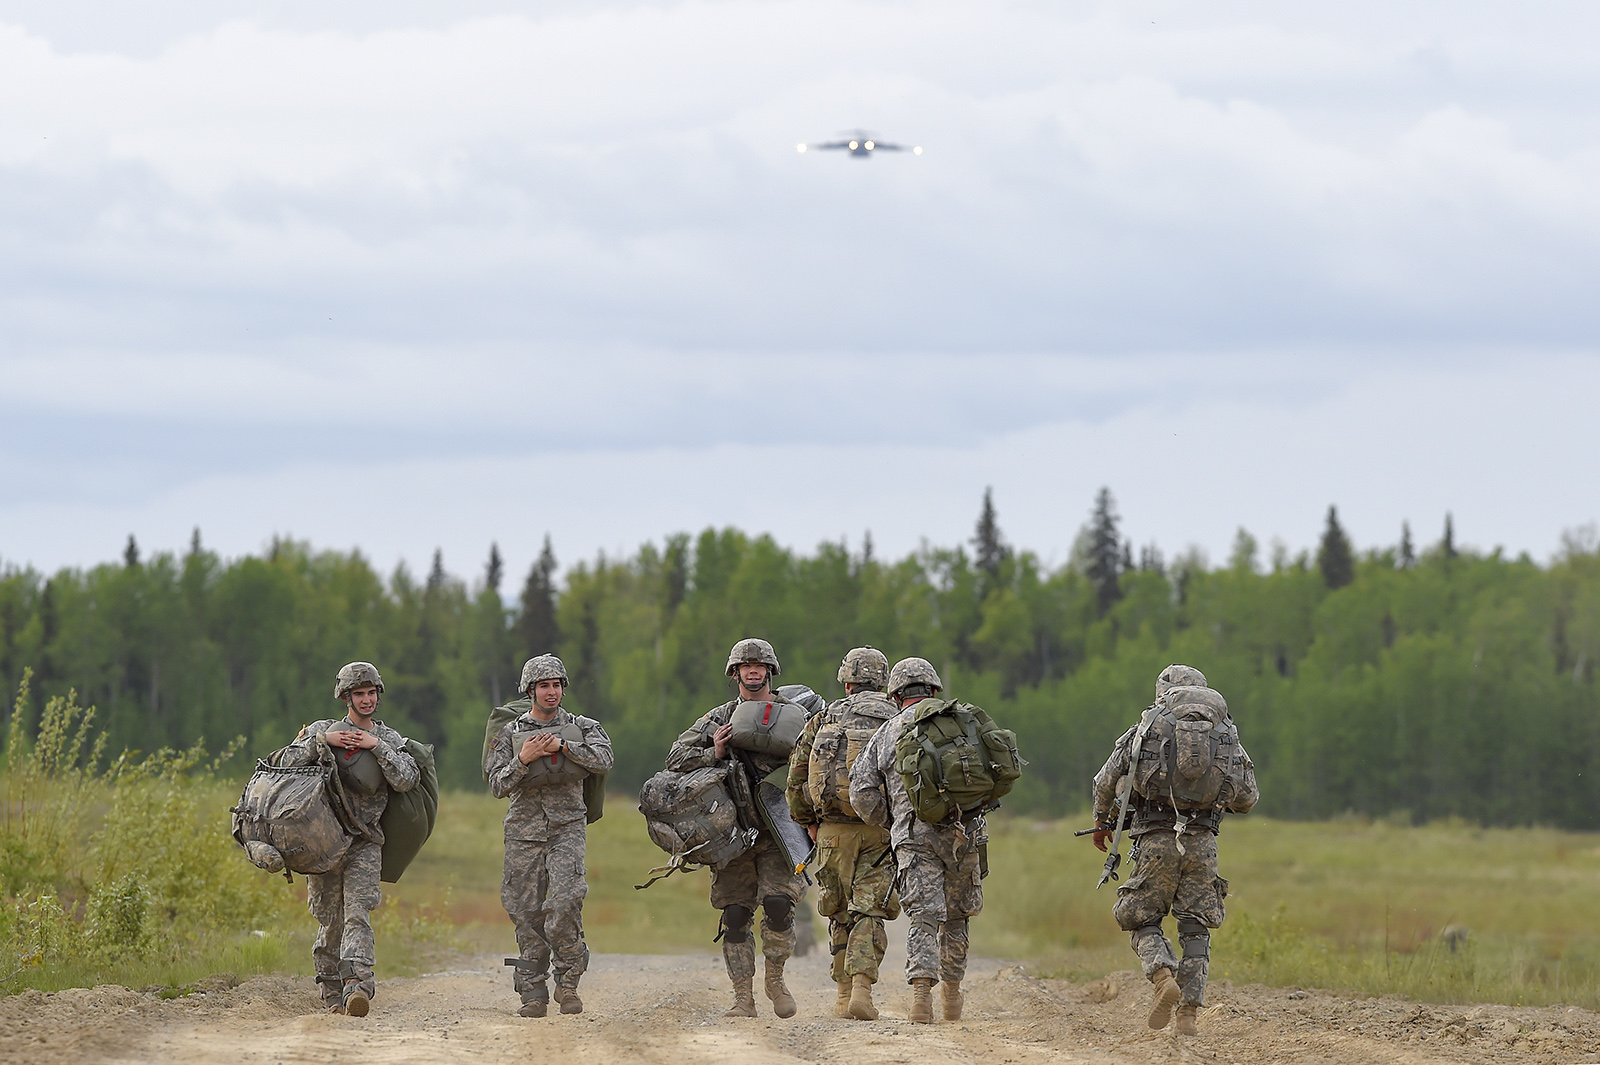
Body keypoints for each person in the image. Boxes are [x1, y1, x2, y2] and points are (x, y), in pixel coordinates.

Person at [1090, 664, 1259, 1036]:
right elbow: (1248, 797)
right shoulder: (1226, 736)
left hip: (1155, 839)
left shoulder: (1145, 731)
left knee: (1138, 916)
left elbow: (1105, 781)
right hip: (1203, 844)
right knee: (1196, 928)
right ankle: (1188, 1016)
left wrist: (1103, 821)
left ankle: (1162, 974)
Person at [666, 638, 808, 1019]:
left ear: (771, 671)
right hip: (734, 836)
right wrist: (713, 750)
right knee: (735, 916)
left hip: (780, 833)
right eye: (746, 666)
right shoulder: (720, 717)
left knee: (779, 906)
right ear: (735, 673)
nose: (753, 670)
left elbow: (820, 758)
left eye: (760, 665)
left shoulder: (796, 716)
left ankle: (775, 980)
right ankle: (742, 997)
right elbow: (676, 758)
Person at [849, 657, 982, 1025]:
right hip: (964, 835)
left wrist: (891, 821)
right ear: (935, 690)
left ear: (895, 695)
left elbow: (860, 791)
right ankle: (952, 997)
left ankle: (922, 1000)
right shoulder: (963, 720)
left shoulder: (888, 731)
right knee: (957, 918)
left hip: (914, 836)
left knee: (923, 917)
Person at [281, 661, 419, 1017]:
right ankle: (329, 986)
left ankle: (357, 984)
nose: (367, 699)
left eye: (372, 693)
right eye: (360, 694)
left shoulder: (387, 738)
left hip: (365, 841)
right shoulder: (321, 730)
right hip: (323, 842)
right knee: (330, 918)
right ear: (345, 697)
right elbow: (284, 760)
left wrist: (376, 747)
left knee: (358, 912)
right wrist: (323, 741)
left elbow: (407, 778)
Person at [486, 654, 614, 1017]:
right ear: (530, 691)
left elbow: (604, 759)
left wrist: (564, 747)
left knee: (564, 903)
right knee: (526, 914)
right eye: (544, 686)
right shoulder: (509, 735)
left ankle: (569, 982)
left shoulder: (583, 726)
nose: (552, 692)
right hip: (523, 834)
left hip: (566, 828)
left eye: (557, 685)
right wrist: (522, 759)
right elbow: (497, 785)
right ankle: (533, 993)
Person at [786, 646, 900, 1021]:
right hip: (881, 829)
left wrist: (810, 823)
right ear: (884, 680)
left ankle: (841, 994)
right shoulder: (898, 718)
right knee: (870, 908)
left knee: (838, 910)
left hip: (832, 830)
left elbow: (797, 777)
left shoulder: (824, 717)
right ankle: (862, 989)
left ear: (846, 680)